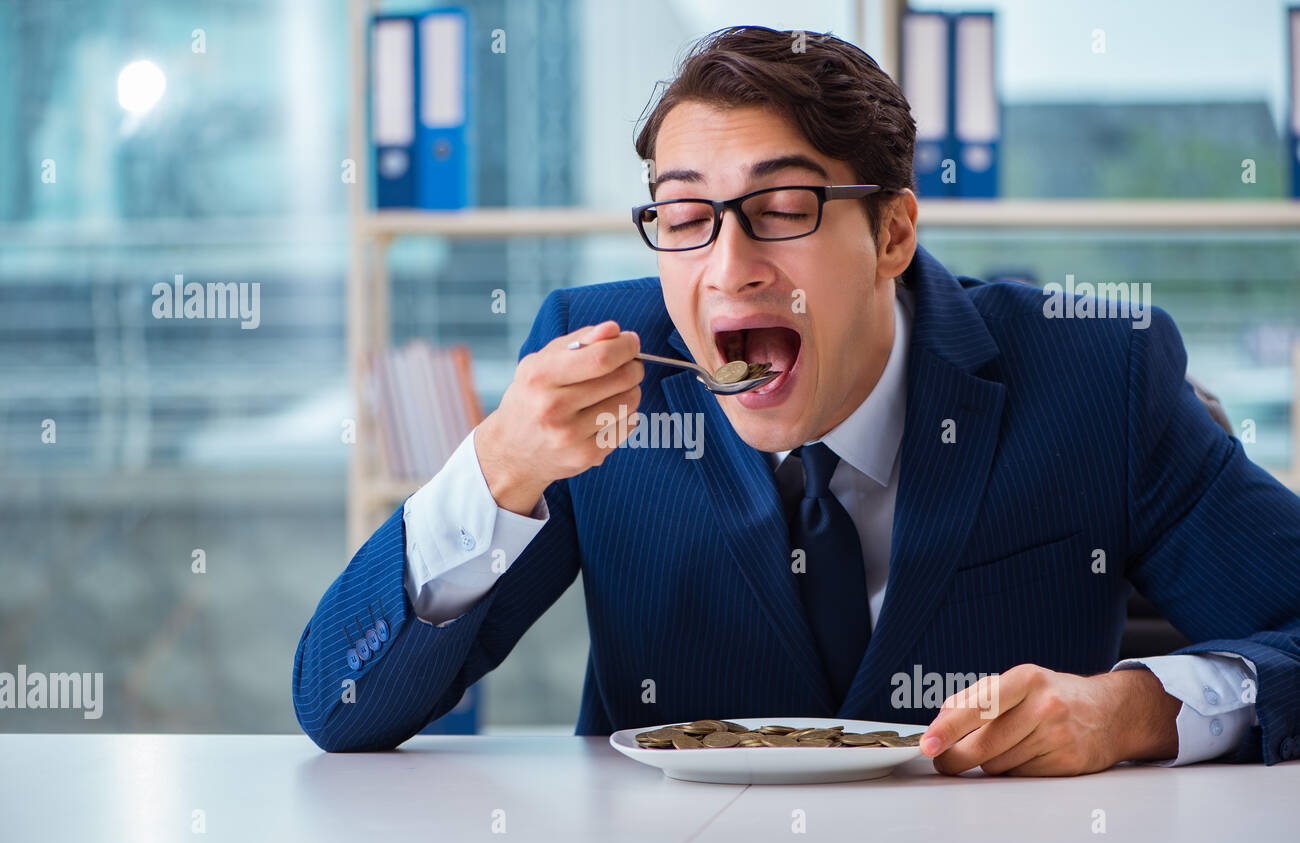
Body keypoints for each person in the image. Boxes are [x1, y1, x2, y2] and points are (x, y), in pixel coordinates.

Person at [293, 26, 1300, 774]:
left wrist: (1136, 710)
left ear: (893, 236)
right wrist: (496, 470)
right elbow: (341, 704)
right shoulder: (604, 361)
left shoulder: (1092, 374)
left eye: (781, 211)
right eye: (684, 216)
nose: (728, 268)